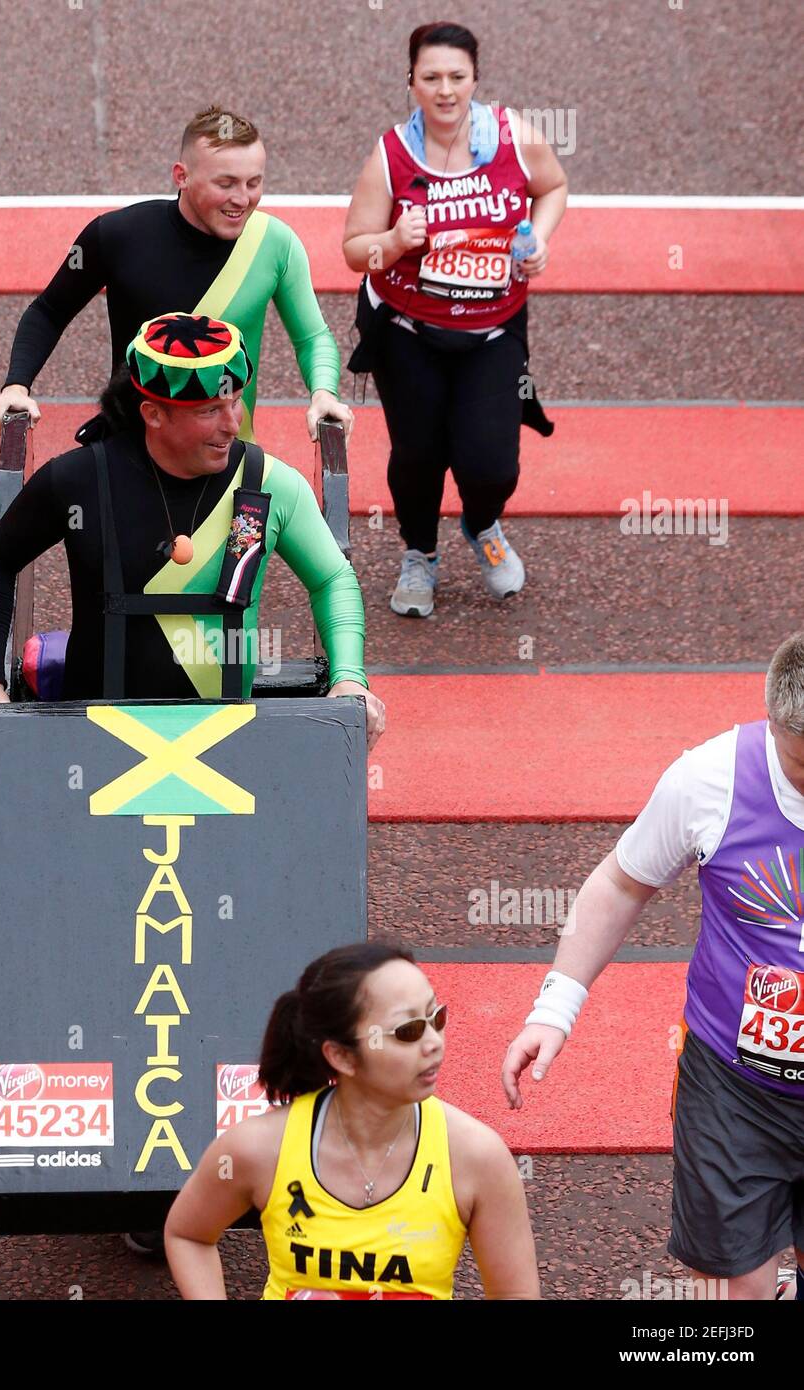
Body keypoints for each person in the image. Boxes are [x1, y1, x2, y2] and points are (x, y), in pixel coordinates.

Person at [502, 631, 804, 1302]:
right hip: (734, 1084)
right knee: (740, 1285)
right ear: (774, 725)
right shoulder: (708, 778)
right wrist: (554, 1008)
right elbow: (619, 885)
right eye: (801, 764)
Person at [0, 312, 386, 759]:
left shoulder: (270, 483)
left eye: (236, 402)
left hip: (227, 739)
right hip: (91, 739)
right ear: (154, 414)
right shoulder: (78, 479)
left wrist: (350, 678)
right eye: (210, 411)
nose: (232, 424)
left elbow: (332, 578)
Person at [342, 22, 567, 618]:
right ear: (411, 82)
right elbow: (352, 250)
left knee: (490, 463)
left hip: (494, 332)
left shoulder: (514, 136)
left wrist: (538, 242)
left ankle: (483, 524)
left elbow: (554, 187)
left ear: (476, 80)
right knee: (417, 456)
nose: (445, 90)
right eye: (432, 77)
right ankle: (419, 553)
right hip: (408, 334)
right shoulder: (392, 154)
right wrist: (391, 239)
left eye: (457, 77)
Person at [166, 941, 539, 1298]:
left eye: (436, 1017)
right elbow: (189, 1235)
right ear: (342, 1057)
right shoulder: (258, 1149)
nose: (434, 1042)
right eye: (407, 1031)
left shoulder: (477, 1158)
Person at [0, 105, 352, 446]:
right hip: (130, 449)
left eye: (254, 183)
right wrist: (15, 386)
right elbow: (49, 311)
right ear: (181, 176)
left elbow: (312, 337)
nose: (242, 199)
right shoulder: (115, 235)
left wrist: (324, 394)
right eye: (226, 184)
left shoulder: (276, 244)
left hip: (227, 454)